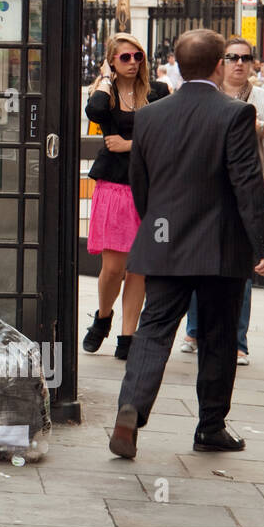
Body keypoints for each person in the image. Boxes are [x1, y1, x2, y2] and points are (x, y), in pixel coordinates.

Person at [109, 29, 264, 460]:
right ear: (219, 65)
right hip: (221, 248)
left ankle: (130, 410)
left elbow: (140, 183)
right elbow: (246, 184)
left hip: (164, 242)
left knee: (153, 329)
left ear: (178, 66)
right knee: (219, 335)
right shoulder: (234, 114)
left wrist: (156, 228)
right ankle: (210, 427)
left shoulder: (150, 116)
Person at [176, 36, 264, 366]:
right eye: (232, 57)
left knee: (242, 273)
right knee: (198, 264)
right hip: (206, 194)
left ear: (253, 63)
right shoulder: (206, 95)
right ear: (220, 62)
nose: (239, 63)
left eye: (245, 58)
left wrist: (257, 126)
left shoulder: (263, 99)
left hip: (250, 197)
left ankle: (237, 342)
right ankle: (194, 330)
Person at [82, 32, 171, 360]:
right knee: (114, 267)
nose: (133, 63)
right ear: (111, 62)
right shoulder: (103, 94)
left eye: (138, 57)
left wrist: (129, 144)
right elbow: (94, 112)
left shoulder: (159, 92)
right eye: (125, 58)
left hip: (150, 187)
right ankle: (104, 316)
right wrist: (106, 78)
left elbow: (169, 136)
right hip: (115, 186)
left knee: (140, 267)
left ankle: (128, 337)